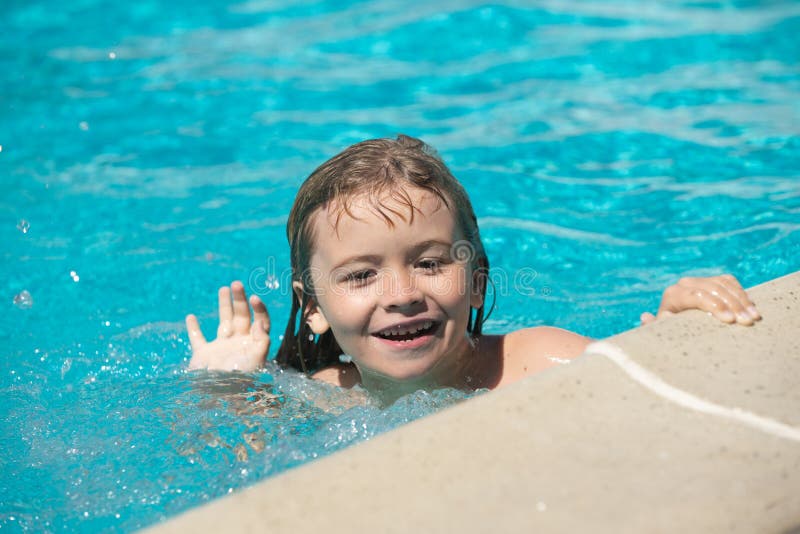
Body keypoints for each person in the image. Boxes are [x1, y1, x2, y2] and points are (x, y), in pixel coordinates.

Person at [185, 135, 761, 400]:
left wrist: (673, 324)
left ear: (478, 281)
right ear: (313, 309)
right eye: (361, 275)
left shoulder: (536, 361)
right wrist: (220, 390)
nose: (403, 293)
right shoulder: (314, 397)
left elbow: (642, 378)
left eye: (431, 262)